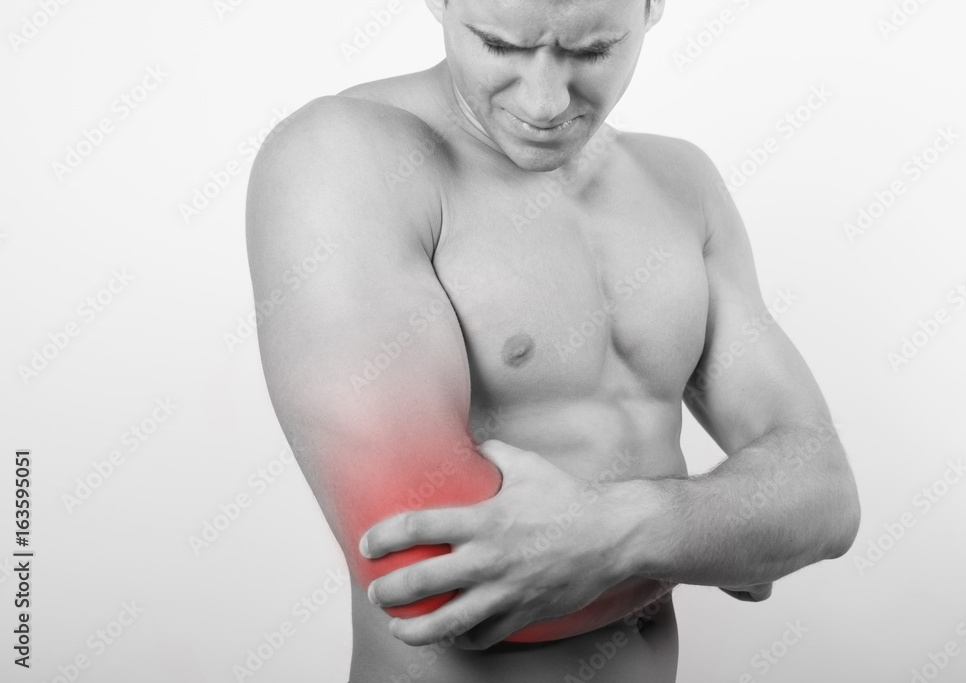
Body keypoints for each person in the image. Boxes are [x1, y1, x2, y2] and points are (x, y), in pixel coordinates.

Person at [245, 0, 861, 680]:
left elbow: (827, 495)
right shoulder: (341, 157)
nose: (545, 102)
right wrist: (726, 532)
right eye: (499, 45)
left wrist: (622, 531)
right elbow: (441, 584)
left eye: (591, 51)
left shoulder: (682, 183)